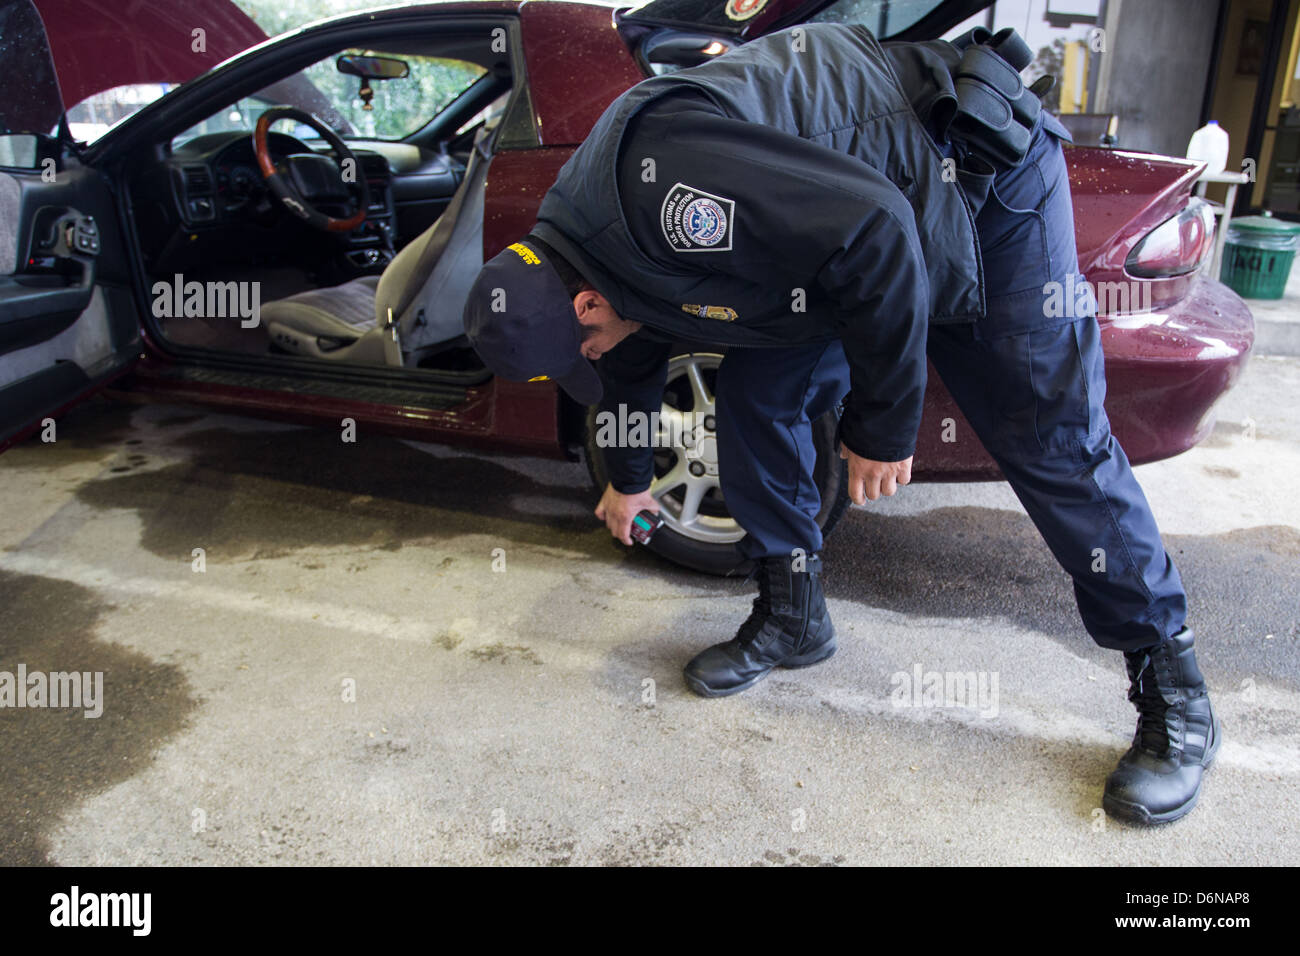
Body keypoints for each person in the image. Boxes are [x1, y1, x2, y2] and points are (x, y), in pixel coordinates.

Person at [461, 22, 1218, 825]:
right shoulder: (572, 245)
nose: (599, 356)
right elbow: (629, 358)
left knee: (1050, 439)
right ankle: (793, 614)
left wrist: (881, 431)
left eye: (585, 345)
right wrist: (630, 480)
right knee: (756, 397)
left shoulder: (668, 194)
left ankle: (1175, 693)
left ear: (582, 305)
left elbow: (879, 232)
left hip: (973, 181)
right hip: (848, 234)